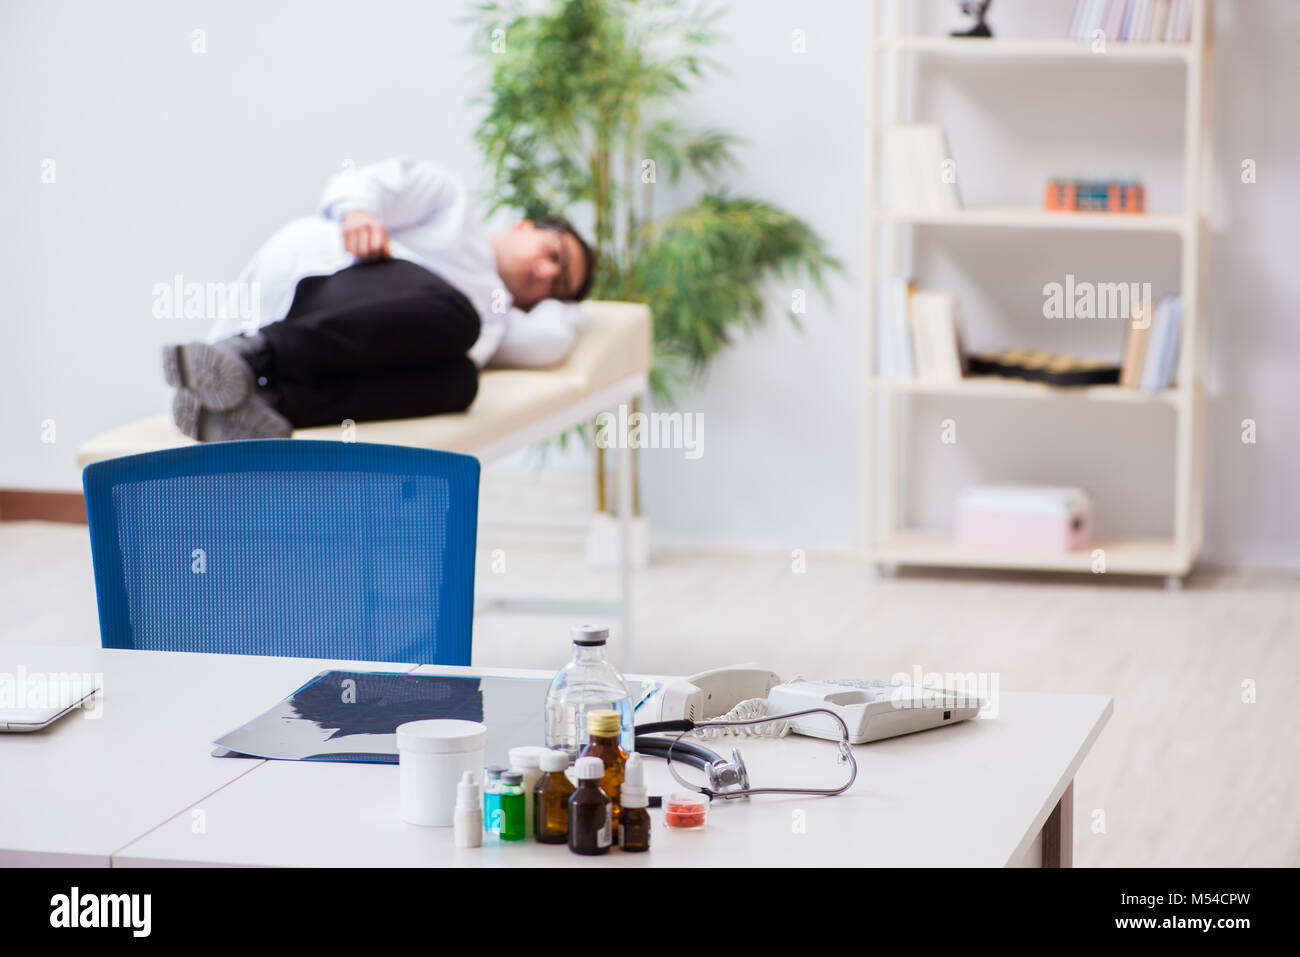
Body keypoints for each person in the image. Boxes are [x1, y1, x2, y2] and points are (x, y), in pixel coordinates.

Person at [161, 157, 596, 440]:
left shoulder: (502, 325)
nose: (546, 273)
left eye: (557, 286)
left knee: (461, 381)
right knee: (460, 320)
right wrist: (360, 213)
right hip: (324, 282)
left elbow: (555, 339)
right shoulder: (450, 204)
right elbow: (363, 183)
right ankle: (249, 353)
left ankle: (261, 406)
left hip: (340, 356)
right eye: (553, 254)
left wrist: (568, 302)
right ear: (525, 227)